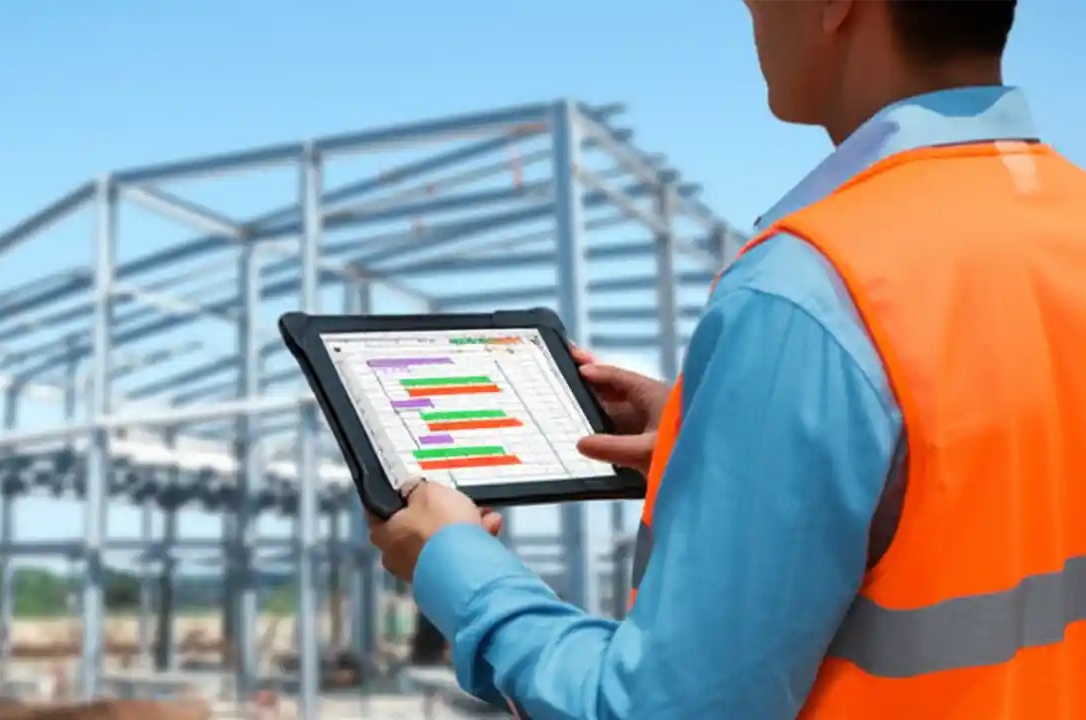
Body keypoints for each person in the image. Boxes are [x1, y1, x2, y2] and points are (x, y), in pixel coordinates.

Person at [368, 0, 1086, 717]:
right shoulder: (1065, 217)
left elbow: (658, 709)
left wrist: (454, 563)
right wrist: (721, 428)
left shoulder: (810, 291)